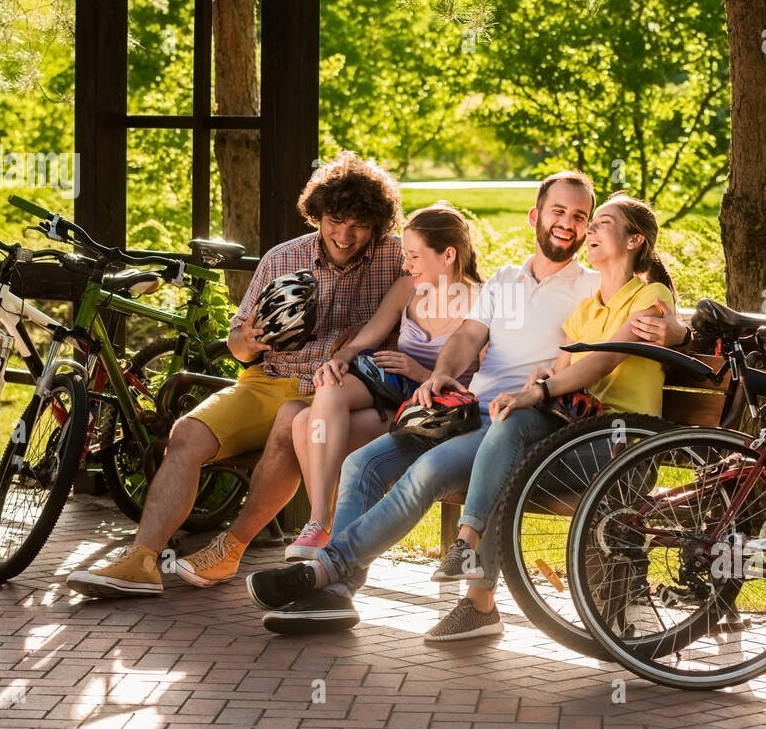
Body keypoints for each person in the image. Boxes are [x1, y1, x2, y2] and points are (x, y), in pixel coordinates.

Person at [246, 172, 687, 637]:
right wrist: (440, 374)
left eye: (581, 217)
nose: (569, 224)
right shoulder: (505, 280)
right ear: (535, 216)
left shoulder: (592, 287)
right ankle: (336, 594)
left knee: (428, 472)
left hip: (525, 422)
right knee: (362, 464)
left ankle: (329, 575)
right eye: (558, 212)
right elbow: (470, 336)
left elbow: (642, 325)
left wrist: (679, 332)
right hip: (466, 410)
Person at [66, 151, 405, 598]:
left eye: (358, 225)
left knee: (289, 422)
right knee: (186, 433)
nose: (344, 236)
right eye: (334, 221)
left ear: (378, 224)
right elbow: (238, 347)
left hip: (336, 392)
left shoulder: (396, 257)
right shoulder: (282, 259)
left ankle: (230, 547)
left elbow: (437, 290)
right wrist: (250, 339)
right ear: (317, 214)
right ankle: (141, 561)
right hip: (266, 379)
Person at [432, 193, 679, 637]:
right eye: (594, 224)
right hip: (584, 439)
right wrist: (532, 387)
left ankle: (477, 598)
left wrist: (541, 389)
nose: (590, 231)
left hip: (627, 448)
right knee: (512, 437)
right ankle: (468, 559)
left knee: (511, 455)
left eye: (603, 223)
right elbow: (562, 366)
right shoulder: (585, 309)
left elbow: (604, 359)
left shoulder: (651, 294)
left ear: (634, 240)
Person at [284, 204, 482, 560]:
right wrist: (339, 360)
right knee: (319, 400)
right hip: (394, 396)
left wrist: (420, 372)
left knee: (304, 423)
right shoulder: (409, 287)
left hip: (436, 417)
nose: (406, 265)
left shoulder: (481, 301)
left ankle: (331, 541)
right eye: (406, 255)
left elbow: (479, 388)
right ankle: (322, 527)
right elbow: (367, 338)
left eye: (414, 256)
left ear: (448, 255)